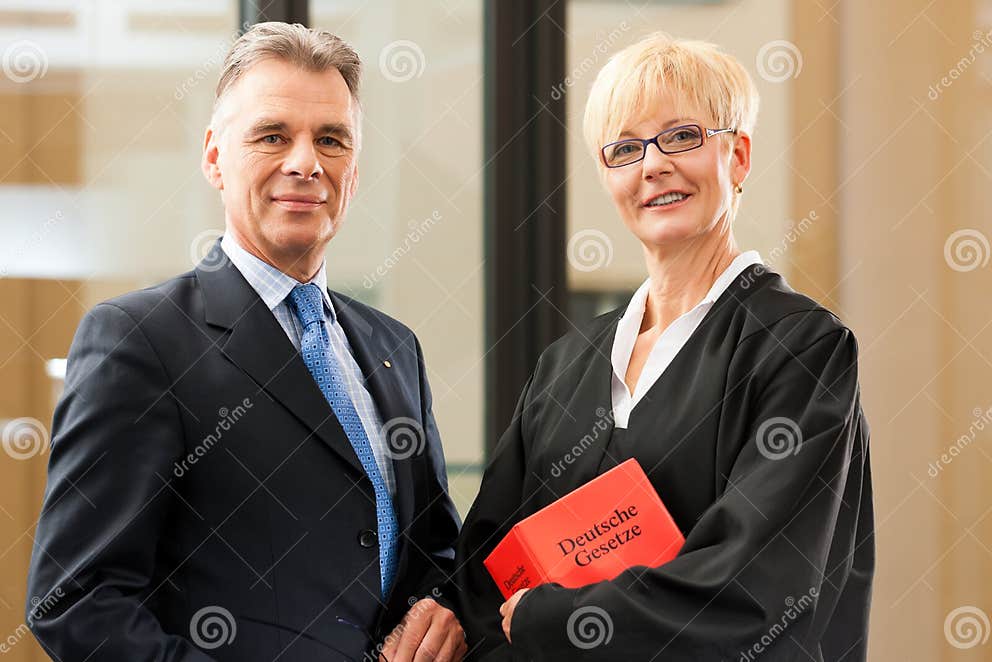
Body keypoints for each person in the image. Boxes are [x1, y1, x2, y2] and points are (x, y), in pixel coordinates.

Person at [26, 22, 466, 662]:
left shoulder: (393, 347)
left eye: (331, 140)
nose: (305, 162)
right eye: (272, 135)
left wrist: (446, 607)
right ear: (213, 157)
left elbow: (434, 548)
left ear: (354, 171)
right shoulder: (139, 341)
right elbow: (76, 601)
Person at [454, 32, 874, 661]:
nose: (653, 166)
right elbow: (487, 566)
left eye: (682, 137)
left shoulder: (799, 349)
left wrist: (556, 619)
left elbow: (758, 587)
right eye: (625, 149)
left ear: (738, 157)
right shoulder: (564, 367)